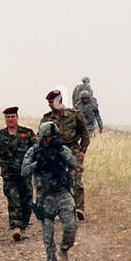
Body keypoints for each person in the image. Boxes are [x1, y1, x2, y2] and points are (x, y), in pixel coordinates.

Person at [22, 121, 80, 261]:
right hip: (45, 196)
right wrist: (37, 164)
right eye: (48, 137)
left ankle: (64, 250)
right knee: (48, 234)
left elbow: (74, 163)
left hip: (62, 192)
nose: (51, 140)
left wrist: (61, 151)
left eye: (53, 137)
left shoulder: (61, 149)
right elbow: (24, 171)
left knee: (71, 225)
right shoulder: (34, 151)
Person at [0, 106, 36, 240]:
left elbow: (36, 152)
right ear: (5, 119)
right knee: (13, 200)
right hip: (9, 175)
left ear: (17, 117)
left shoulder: (28, 134)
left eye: (12, 116)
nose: (10, 119)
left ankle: (23, 226)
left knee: (26, 201)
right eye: (8, 117)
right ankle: (15, 227)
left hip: (25, 174)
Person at [41, 89, 90, 221]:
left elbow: (85, 133)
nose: (49, 105)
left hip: (73, 149)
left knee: (76, 178)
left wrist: (82, 151)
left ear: (59, 101)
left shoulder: (75, 115)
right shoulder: (47, 119)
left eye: (51, 102)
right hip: (56, 152)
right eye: (49, 102)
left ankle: (79, 209)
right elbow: (41, 138)